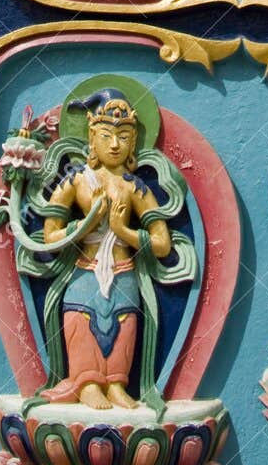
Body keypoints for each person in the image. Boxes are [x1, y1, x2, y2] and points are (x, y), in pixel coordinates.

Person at [42, 91, 172, 409]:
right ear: (92, 139)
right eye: (107, 135)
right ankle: (86, 383)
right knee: (80, 321)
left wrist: (123, 231)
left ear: (133, 143)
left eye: (124, 136)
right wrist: (87, 223)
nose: (115, 145)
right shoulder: (75, 181)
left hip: (123, 271)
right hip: (84, 270)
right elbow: (50, 237)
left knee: (124, 324)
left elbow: (162, 243)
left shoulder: (134, 188)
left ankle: (115, 383)